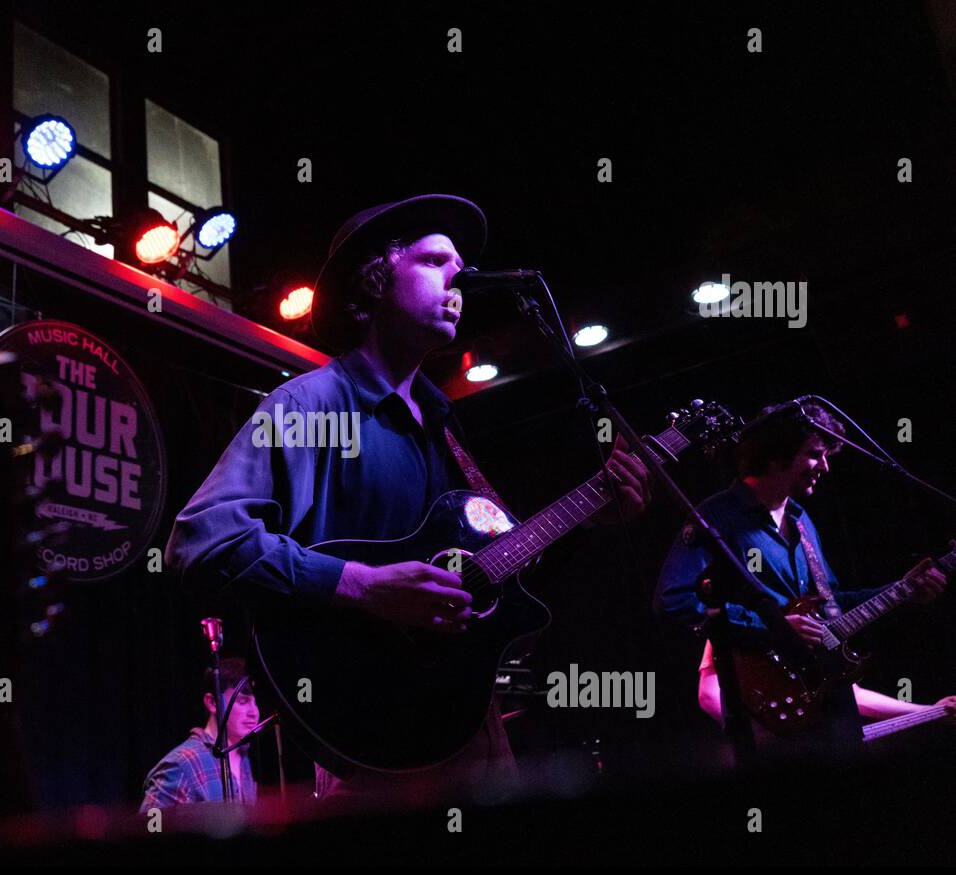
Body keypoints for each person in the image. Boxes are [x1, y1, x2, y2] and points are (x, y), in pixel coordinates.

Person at [165, 195, 651, 799]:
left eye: (462, 267)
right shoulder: (311, 405)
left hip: (465, 726)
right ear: (374, 280)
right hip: (369, 735)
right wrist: (365, 586)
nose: (460, 277)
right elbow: (203, 541)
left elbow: (492, 581)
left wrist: (591, 523)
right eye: (434, 261)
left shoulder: (447, 425)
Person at [654, 402, 952, 747]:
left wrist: (904, 589)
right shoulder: (717, 516)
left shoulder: (801, 520)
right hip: (764, 705)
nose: (824, 467)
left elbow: (831, 605)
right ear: (776, 455)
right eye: (814, 455)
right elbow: (673, 600)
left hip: (824, 693)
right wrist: (772, 628)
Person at [139, 658, 260, 810]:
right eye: (243, 702)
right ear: (212, 702)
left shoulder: (243, 759)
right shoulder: (182, 765)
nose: (254, 713)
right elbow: (149, 829)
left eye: (256, 703)